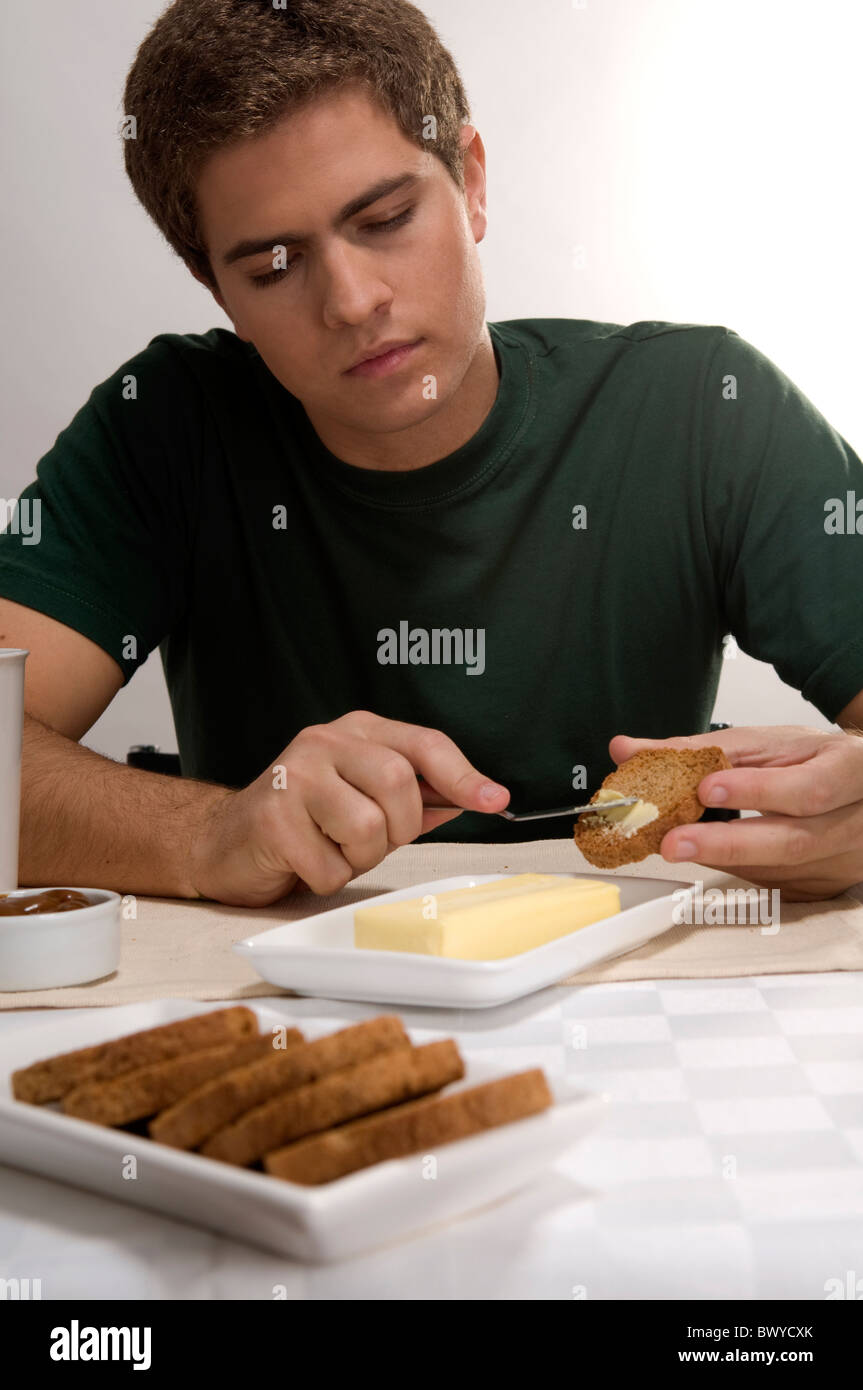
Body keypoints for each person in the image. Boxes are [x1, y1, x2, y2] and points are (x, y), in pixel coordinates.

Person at [2, 0, 862, 907]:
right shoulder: (166, 427)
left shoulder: (702, 406)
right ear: (212, 285)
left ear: (472, 181)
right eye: (273, 268)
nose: (351, 300)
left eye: (383, 218)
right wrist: (209, 834)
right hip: (306, 1010)